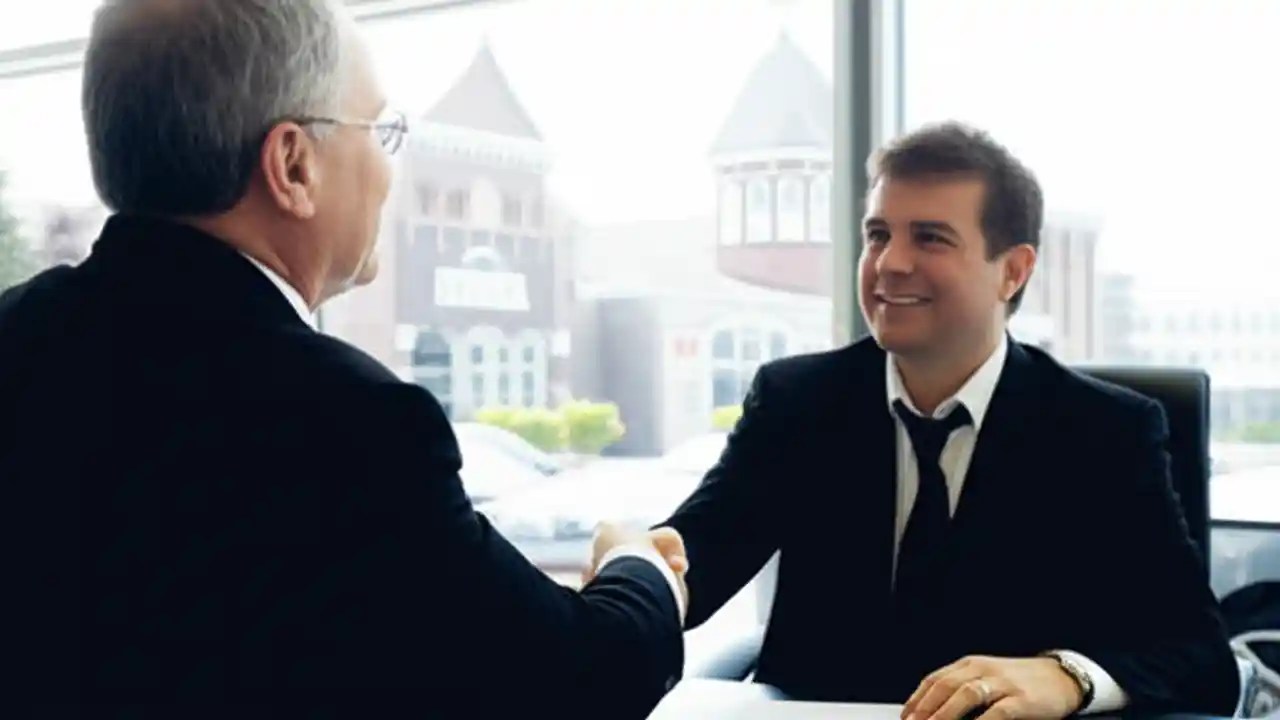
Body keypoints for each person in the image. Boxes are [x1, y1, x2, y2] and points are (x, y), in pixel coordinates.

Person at [0, 0, 687, 715]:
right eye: (381, 131)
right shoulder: (346, 422)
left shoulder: (17, 336)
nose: (389, 172)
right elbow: (590, 678)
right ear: (293, 165)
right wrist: (634, 563)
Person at [619, 123, 1240, 718]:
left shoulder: (1103, 432)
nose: (889, 263)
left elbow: (1201, 657)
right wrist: (639, 565)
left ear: (1014, 271)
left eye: (930, 238)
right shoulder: (798, 401)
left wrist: (1067, 674)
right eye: (878, 234)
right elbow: (697, 556)